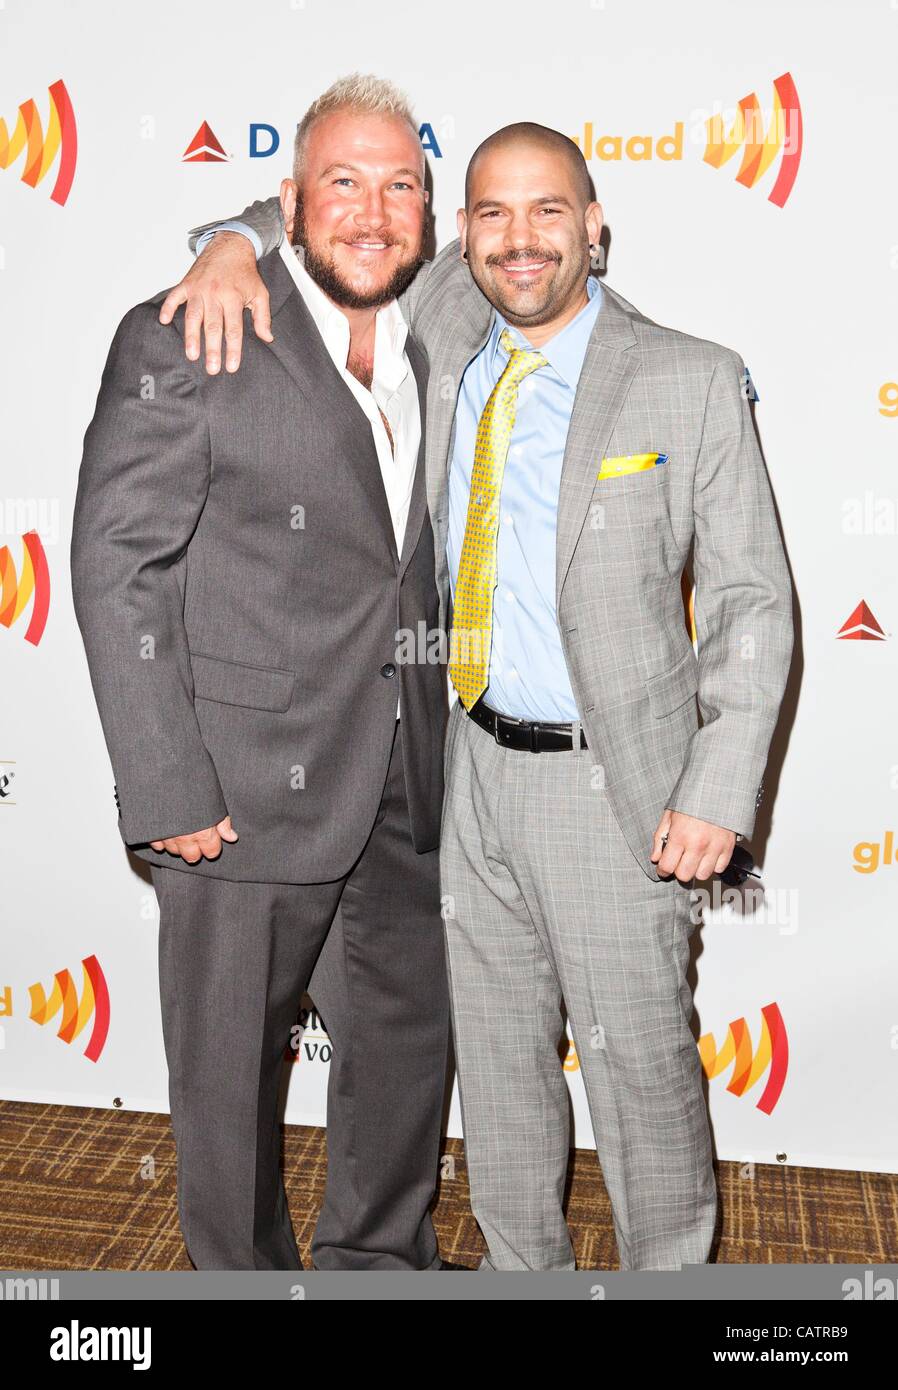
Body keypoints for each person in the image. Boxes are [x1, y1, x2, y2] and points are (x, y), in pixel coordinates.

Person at [158, 118, 794, 1270]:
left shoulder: (689, 378)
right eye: (492, 213)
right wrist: (226, 244)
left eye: (548, 210)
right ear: (464, 235)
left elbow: (756, 604)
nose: (520, 239)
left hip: (615, 793)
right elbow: (334, 221)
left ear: (595, 227)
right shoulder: (448, 329)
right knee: (498, 1080)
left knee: (641, 1082)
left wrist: (717, 788)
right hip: (459, 776)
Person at [70, 75, 459, 1271]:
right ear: (289, 201)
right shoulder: (189, 325)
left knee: (402, 1051)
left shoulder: (436, 329)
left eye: (401, 185)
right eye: (342, 181)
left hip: (401, 775)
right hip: (235, 790)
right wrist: (165, 781)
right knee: (229, 1082)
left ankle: (376, 1266)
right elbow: (113, 560)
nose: (372, 209)